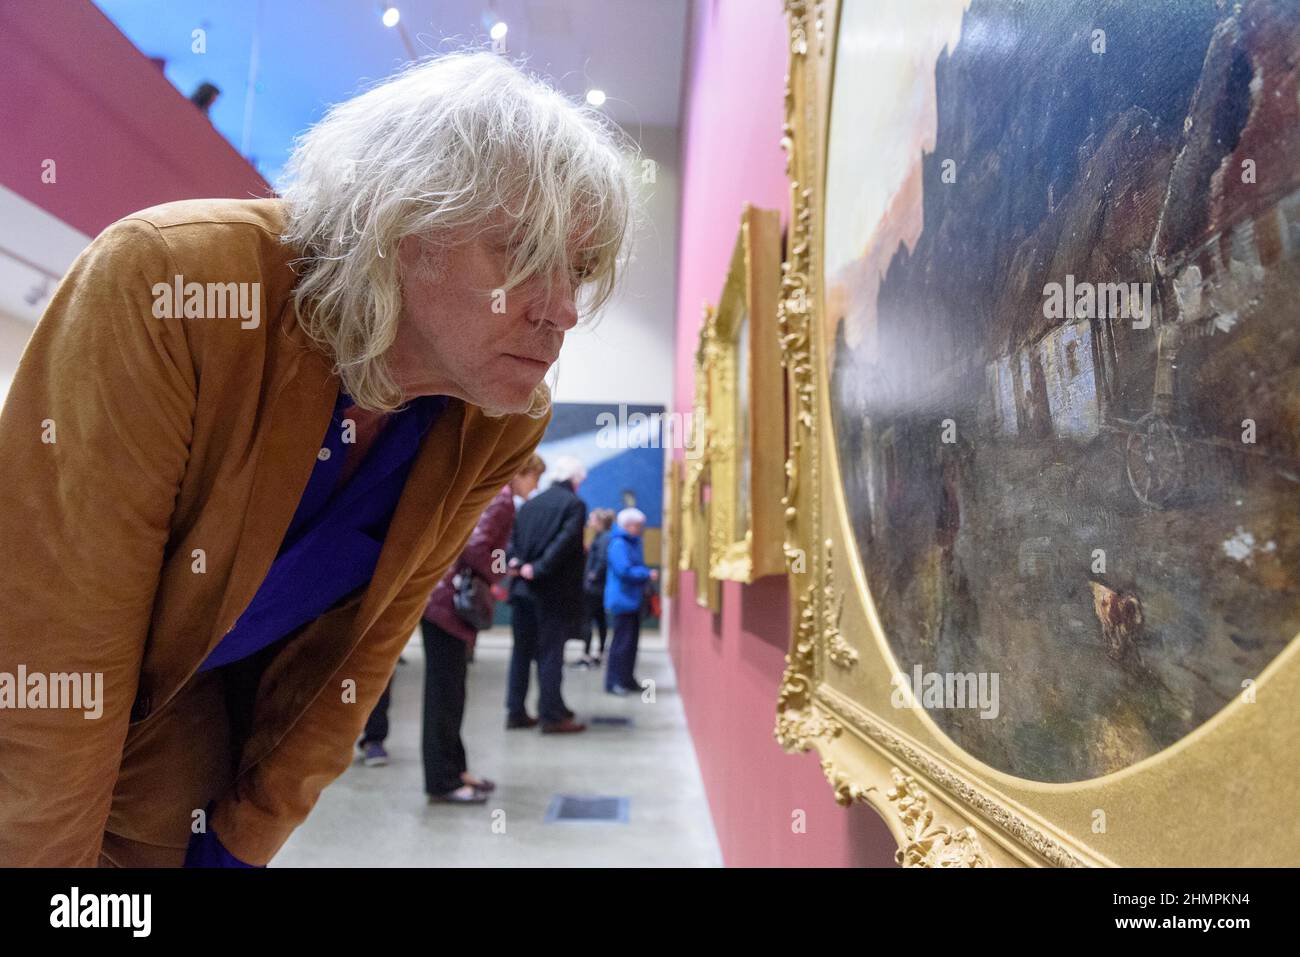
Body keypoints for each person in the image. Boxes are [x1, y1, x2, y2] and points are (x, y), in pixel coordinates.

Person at [0, 51, 634, 867]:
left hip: (180, 755)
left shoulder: (495, 422)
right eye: (521, 253)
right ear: (398, 221)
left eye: (578, 270)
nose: (564, 310)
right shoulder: (171, 283)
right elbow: (54, 652)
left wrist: (241, 841)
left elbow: (357, 659)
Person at [420, 453, 546, 803]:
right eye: (534, 478)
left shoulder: (493, 493)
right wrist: (501, 569)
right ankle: (443, 780)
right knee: (445, 693)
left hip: (441, 602)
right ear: (522, 473)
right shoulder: (502, 500)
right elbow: (477, 548)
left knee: (451, 692)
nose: (535, 486)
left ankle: (456, 769)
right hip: (448, 606)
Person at [504, 456, 589, 733]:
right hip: (552, 592)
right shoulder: (574, 505)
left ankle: (516, 712)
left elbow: (512, 541)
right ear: (575, 480)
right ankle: (550, 715)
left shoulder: (530, 504)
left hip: (521, 590)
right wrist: (539, 568)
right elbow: (565, 542)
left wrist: (519, 564)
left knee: (520, 653)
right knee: (550, 653)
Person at [604, 508, 658, 696]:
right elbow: (624, 570)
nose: (641, 529)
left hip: (632, 598)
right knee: (621, 643)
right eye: (638, 526)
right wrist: (646, 574)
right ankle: (614, 681)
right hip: (623, 599)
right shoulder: (619, 544)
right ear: (628, 525)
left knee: (631, 643)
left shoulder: (632, 542)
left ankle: (627, 678)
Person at [579, 508, 615, 667]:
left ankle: (587, 655)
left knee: (589, 619)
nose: (589, 522)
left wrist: (591, 576)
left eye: (592, 519)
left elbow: (602, 560)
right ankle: (599, 652)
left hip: (594, 587)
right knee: (600, 620)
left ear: (599, 522)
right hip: (598, 586)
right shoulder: (601, 537)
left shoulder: (603, 538)